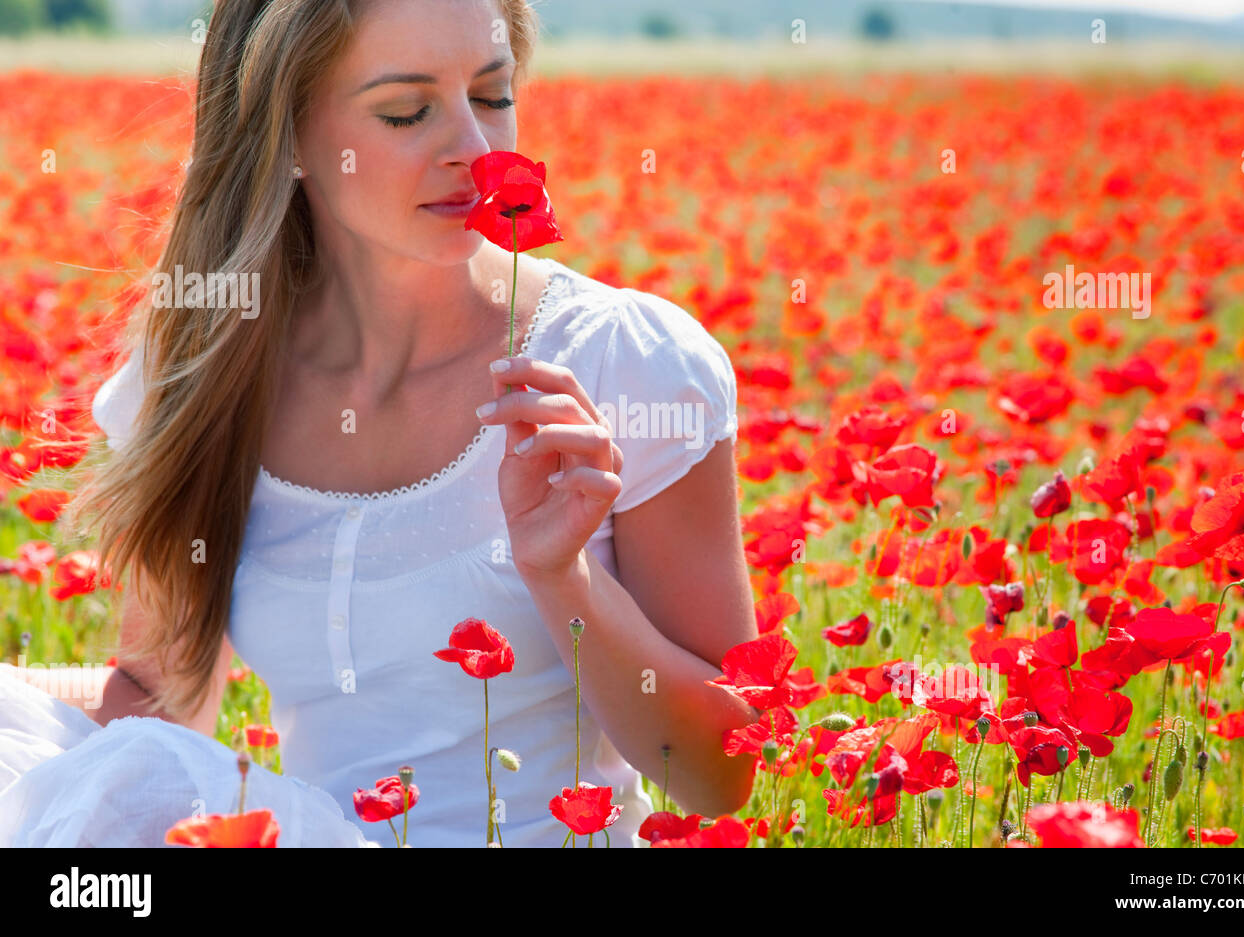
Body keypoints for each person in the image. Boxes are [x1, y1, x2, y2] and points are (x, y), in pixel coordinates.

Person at [0, 0, 760, 848]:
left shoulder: (623, 362)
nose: (475, 151)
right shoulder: (211, 367)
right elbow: (151, 701)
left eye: (493, 94)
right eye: (407, 111)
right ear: (286, 138)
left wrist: (567, 578)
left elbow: (719, 775)